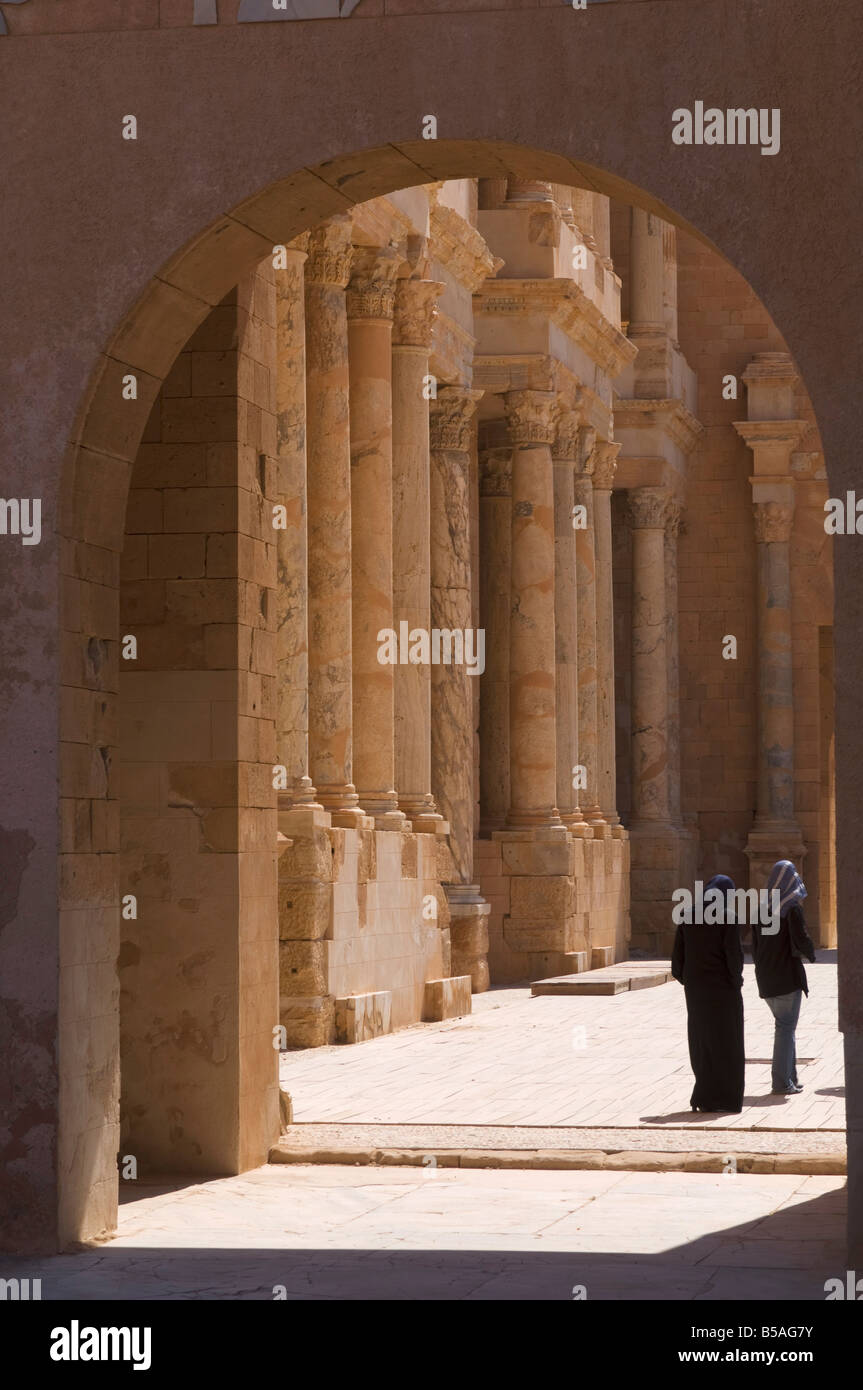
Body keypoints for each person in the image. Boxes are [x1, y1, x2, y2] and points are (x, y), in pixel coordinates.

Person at [671, 874, 745, 1113]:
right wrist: (735, 983)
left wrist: (691, 982)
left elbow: (677, 961)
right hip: (723, 990)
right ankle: (726, 1098)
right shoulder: (728, 917)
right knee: (727, 1042)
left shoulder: (687, 915)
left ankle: (704, 1096)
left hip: (696, 991)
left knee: (702, 1042)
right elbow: (734, 957)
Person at [751, 859, 816, 1095]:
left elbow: (755, 947)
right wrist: (812, 955)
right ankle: (781, 1082)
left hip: (766, 977)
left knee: (785, 1026)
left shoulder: (761, 908)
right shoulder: (792, 908)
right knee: (785, 1028)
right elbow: (802, 939)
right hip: (787, 976)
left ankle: (791, 1077)